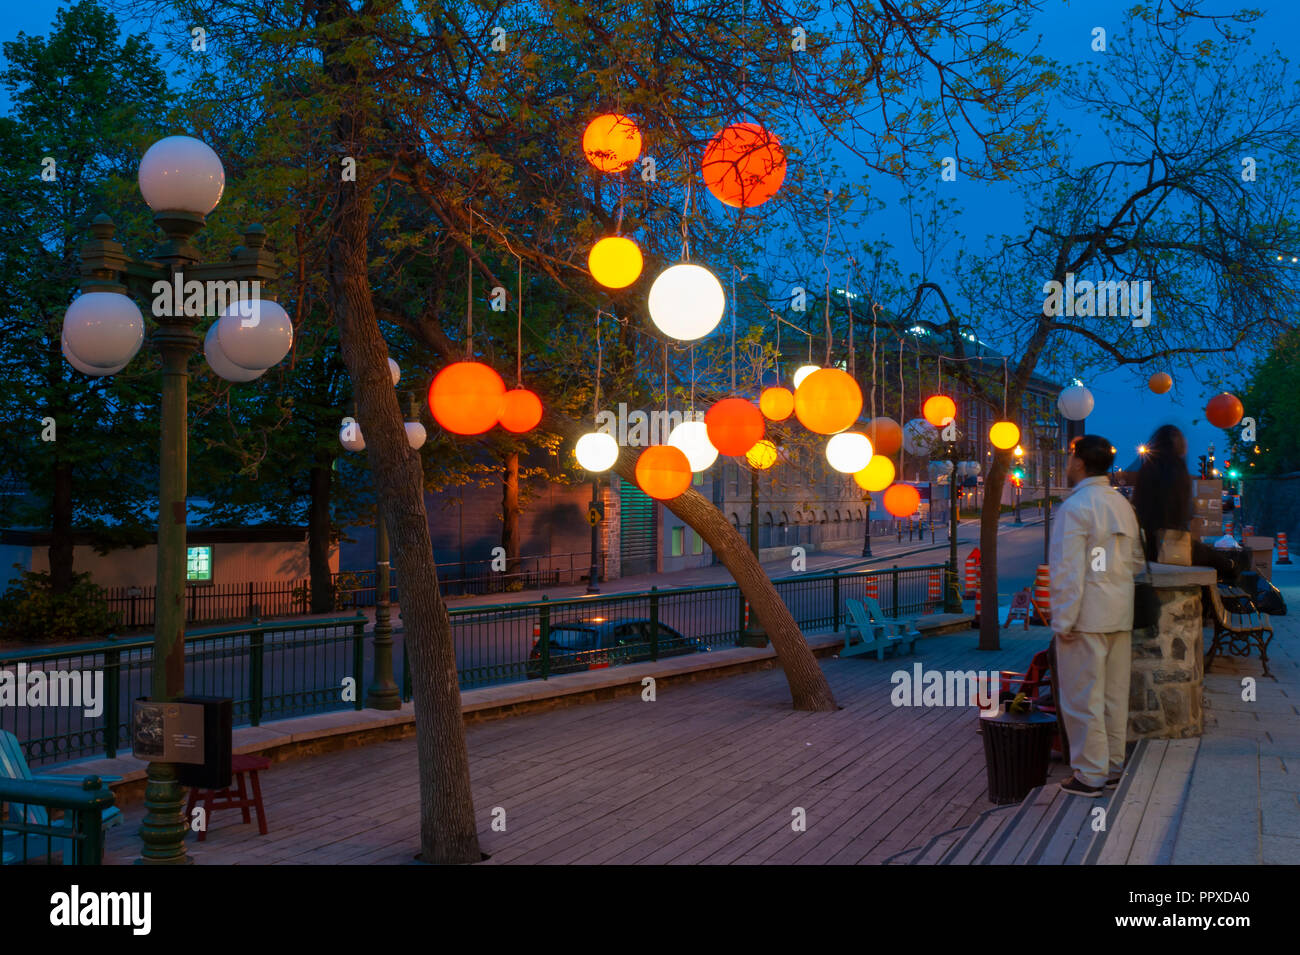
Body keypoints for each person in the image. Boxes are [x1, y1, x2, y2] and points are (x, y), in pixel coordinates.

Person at [1049, 435, 1146, 797]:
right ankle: (1113, 766)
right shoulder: (1122, 505)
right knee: (1113, 695)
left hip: (1086, 616)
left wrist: (1063, 619)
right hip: (1119, 613)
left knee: (1082, 697)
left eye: (1070, 457)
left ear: (1079, 462)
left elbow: (1067, 570)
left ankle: (1089, 774)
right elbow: (1136, 561)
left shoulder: (1075, 508)